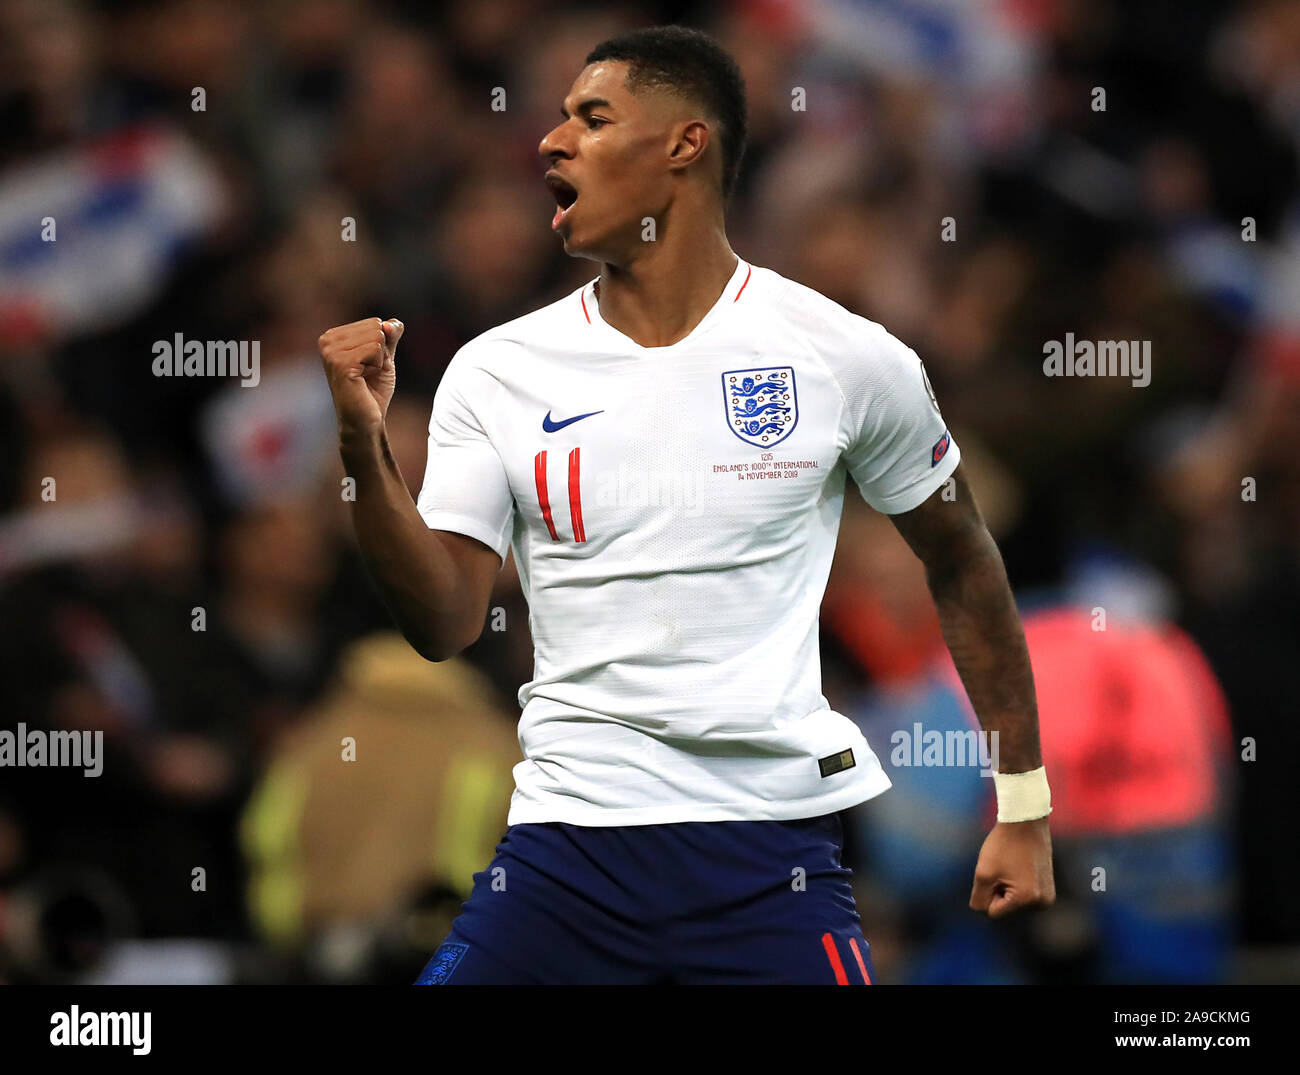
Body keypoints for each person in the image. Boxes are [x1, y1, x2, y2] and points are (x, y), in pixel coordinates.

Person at [316, 25, 1054, 984]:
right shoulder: (496, 372)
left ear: (684, 144)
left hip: (766, 855)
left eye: (591, 117)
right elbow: (444, 621)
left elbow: (961, 556)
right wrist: (364, 451)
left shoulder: (846, 356)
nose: (550, 141)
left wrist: (1024, 802)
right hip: (565, 851)